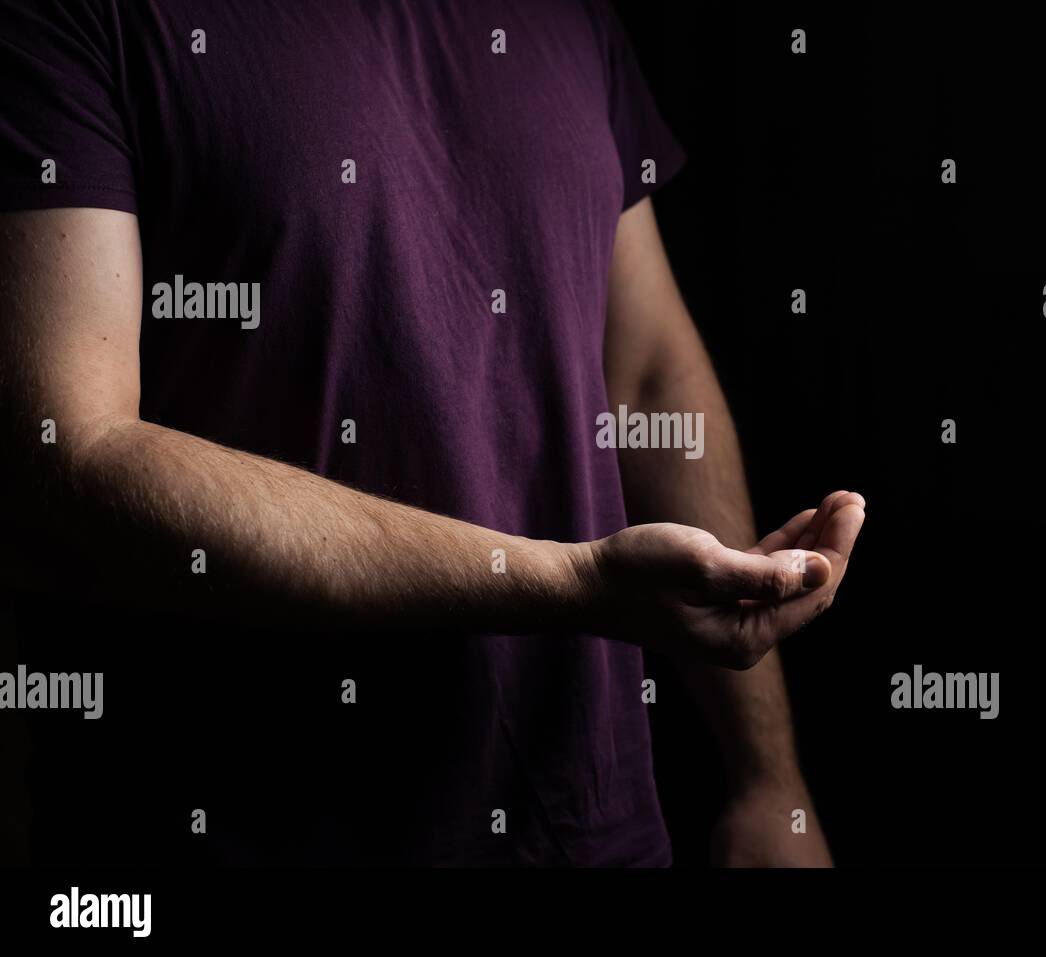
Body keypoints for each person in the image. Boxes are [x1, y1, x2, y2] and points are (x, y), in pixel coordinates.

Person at [0, 0, 864, 866]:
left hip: (592, 833)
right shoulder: (73, 19)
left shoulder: (568, 17)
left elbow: (642, 372)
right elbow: (68, 452)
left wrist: (765, 778)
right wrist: (571, 583)